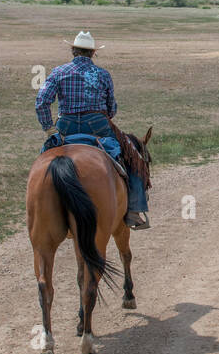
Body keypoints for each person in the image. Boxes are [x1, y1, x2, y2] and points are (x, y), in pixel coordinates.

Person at [36, 30, 149, 229]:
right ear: (92, 53)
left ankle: (38, 206)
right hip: (98, 125)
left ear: (73, 50)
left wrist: (49, 129)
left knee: (43, 162)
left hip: (66, 126)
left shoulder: (59, 72)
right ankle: (133, 210)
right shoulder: (102, 74)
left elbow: (42, 102)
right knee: (133, 158)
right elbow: (111, 108)